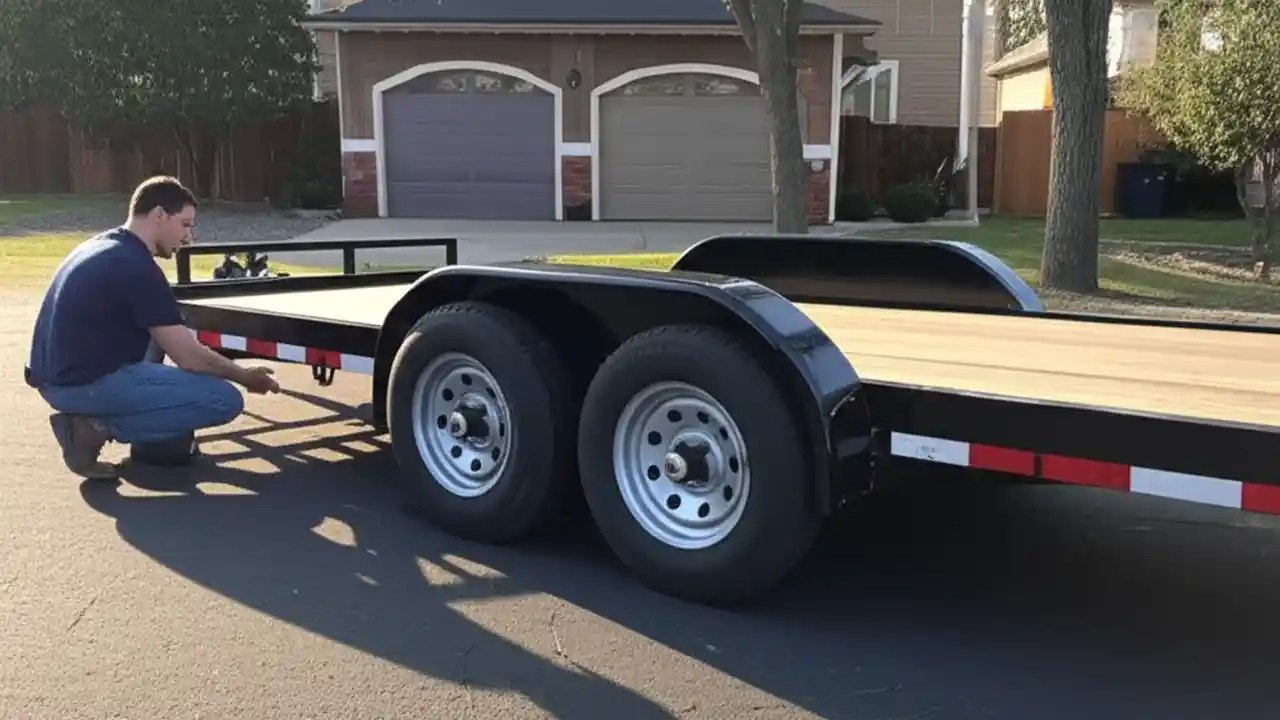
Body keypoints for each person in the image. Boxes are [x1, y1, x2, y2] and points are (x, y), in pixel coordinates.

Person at [25, 175, 281, 480]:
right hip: (80, 386)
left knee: (160, 347)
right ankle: (92, 429)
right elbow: (191, 358)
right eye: (185, 225)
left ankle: (94, 420)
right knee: (224, 399)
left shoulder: (100, 247)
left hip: (55, 378)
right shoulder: (136, 267)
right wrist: (245, 376)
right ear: (159, 215)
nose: (188, 237)